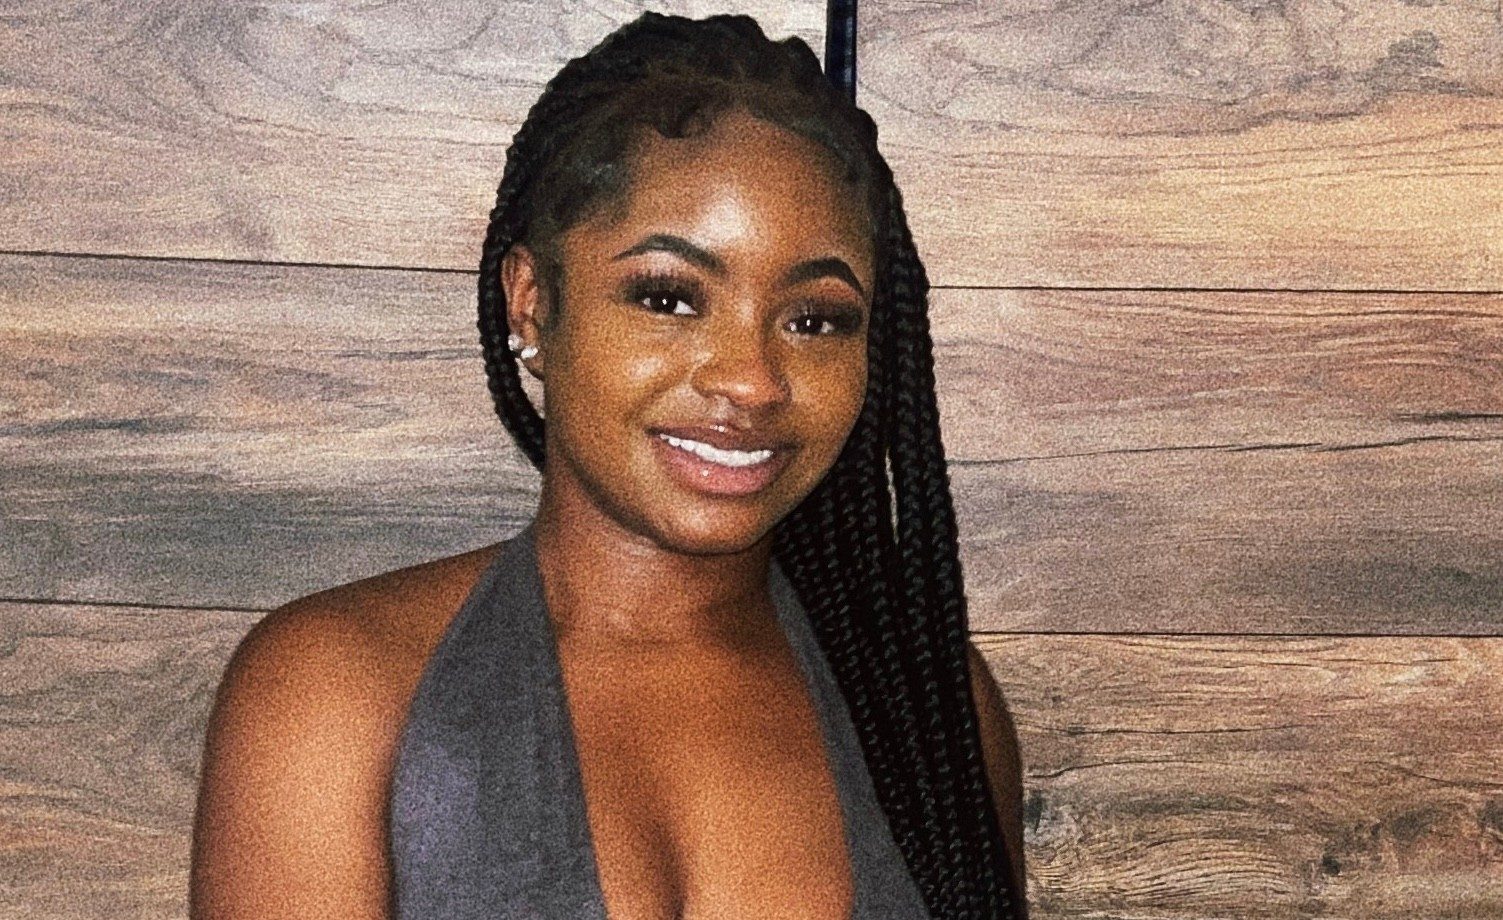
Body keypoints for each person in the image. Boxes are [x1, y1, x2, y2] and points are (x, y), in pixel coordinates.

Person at [189, 11, 1026, 920]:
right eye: (668, 298)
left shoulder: (928, 710)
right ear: (531, 302)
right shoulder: (337, 688)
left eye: (814, 319)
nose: (750, 379)